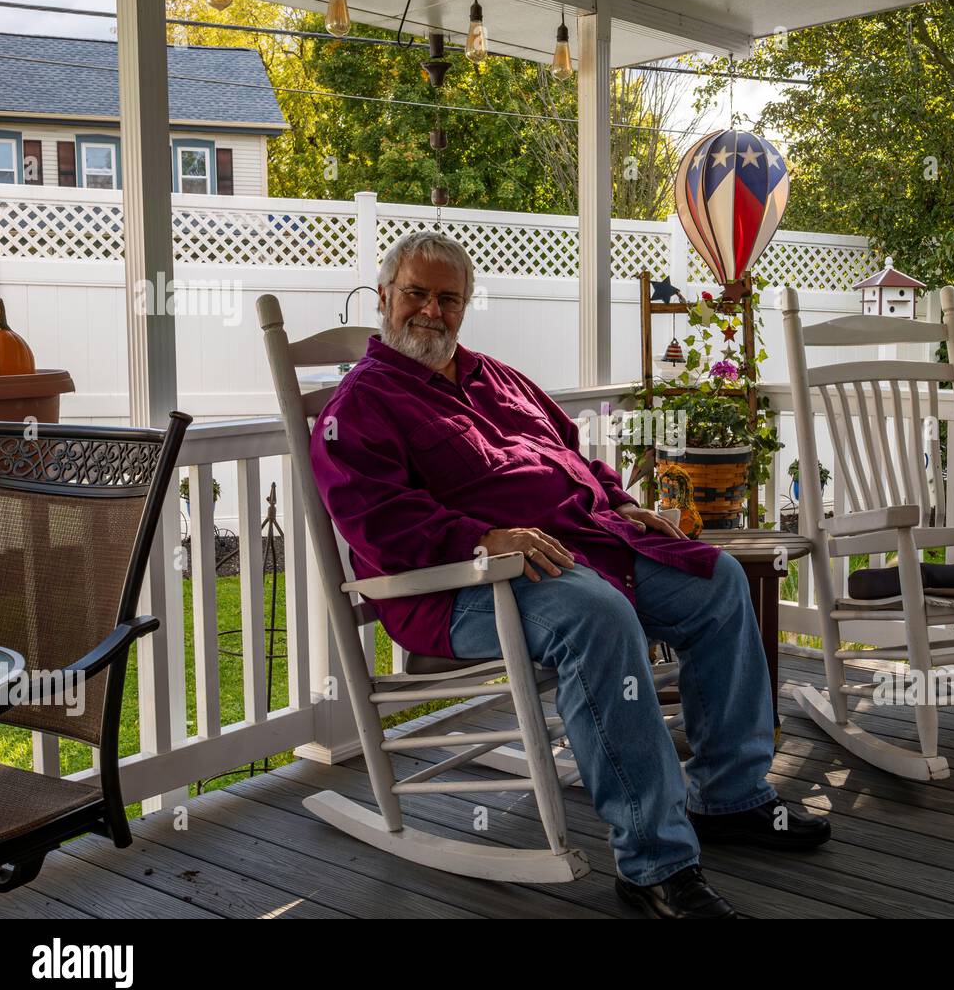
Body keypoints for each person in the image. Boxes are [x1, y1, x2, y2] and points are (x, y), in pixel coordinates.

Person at [310, 232, 830, 918]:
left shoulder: (495, 376)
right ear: (384, 297)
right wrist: (482, 538)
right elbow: (379, 522)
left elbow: (574, 455)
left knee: (719, 580)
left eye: (448, 298)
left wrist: (623, 503)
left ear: (464, 306)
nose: (430, 311)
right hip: (464, 588)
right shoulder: (361, 407)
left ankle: (731, 797)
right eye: (416, 293)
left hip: (590, 546)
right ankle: (656, 863)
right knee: (599, 617)